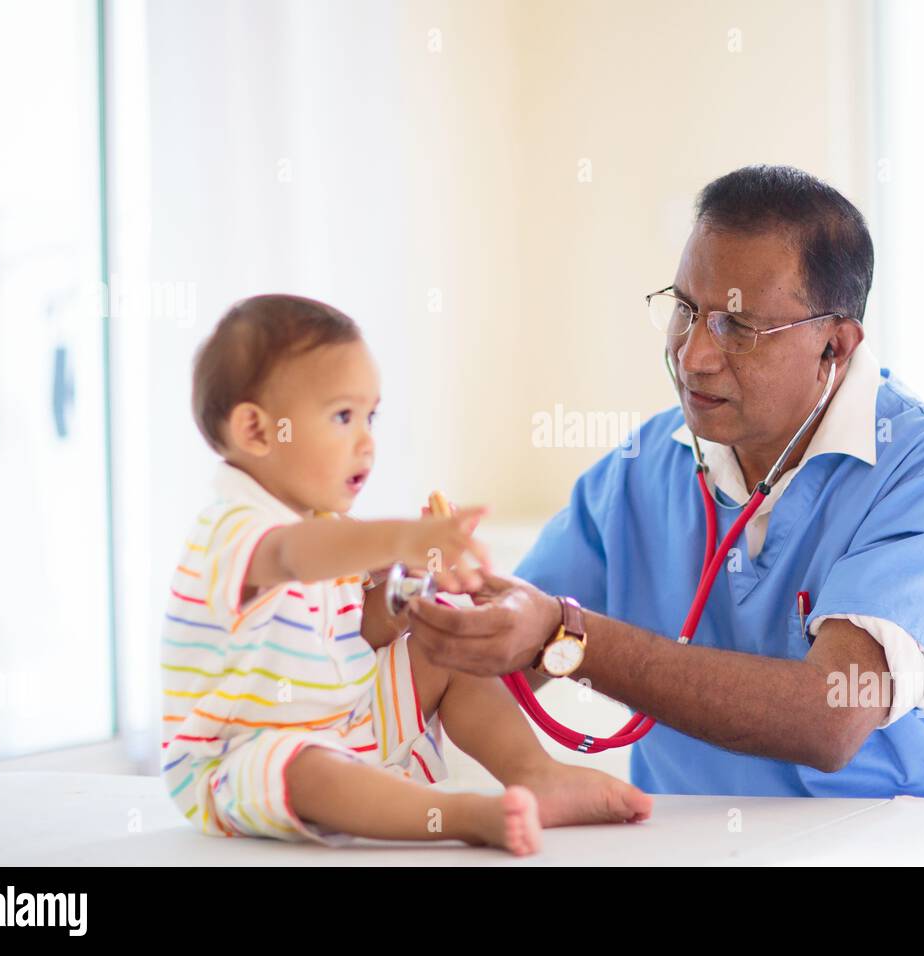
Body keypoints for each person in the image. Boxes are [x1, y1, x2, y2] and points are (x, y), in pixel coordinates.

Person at [405, 165, 924, 803]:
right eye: (685, 309)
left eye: (736, 326)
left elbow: (828, 719)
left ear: (834, 347)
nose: (692, 354)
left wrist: (567, 636)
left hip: (922, 845)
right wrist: (382, 597)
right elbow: (495, 653)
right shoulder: (640, 468)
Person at [160, 293, 652, 855]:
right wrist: (399, 537)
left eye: (371, 417)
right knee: (304, 767)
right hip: (239, 762)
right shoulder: (235, 529)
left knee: (441, 646)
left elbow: (356, 638)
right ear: (257, 431)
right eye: (343, 417)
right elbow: (295, 555)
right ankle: (459, 814)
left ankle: (536, 773)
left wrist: (407, 591)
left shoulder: (326, 526)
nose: (367, 442)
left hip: (344, 729)